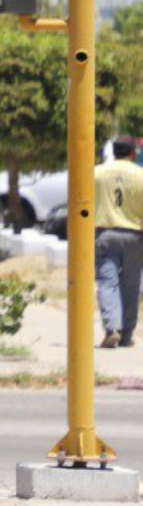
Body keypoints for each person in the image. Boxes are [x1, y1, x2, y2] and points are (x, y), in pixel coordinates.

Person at [93, 138, 143, 348]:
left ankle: (112, 328)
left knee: (107, 282)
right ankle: (127, 334)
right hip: (135, 236)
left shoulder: (96, 173)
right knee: (131, 286)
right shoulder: (140, 174)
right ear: (133, 154)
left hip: (105, 234)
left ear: (113, 153)